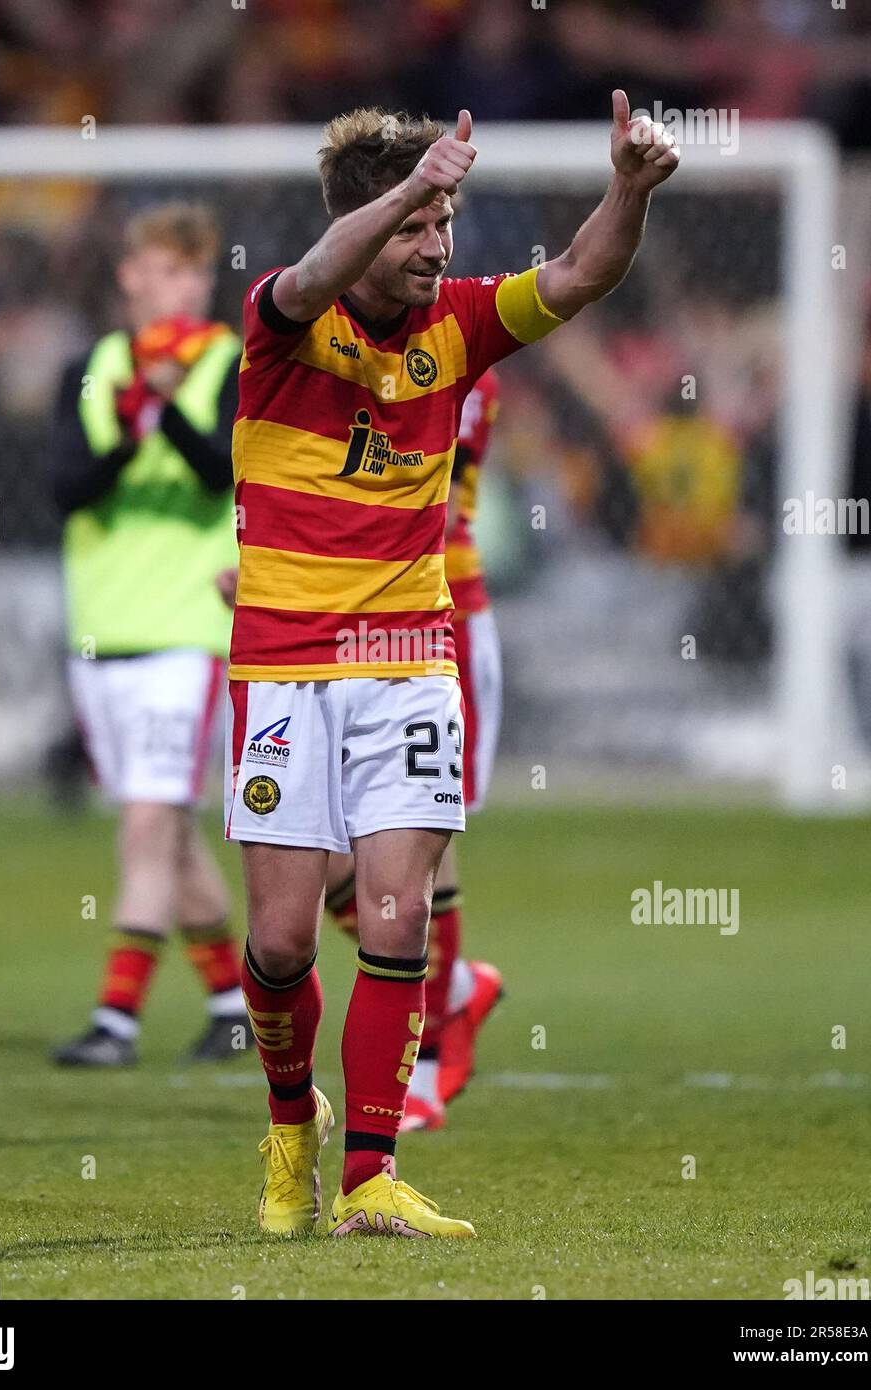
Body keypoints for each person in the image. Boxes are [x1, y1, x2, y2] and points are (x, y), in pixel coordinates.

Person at [226, 94, 679, 1237]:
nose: (438, 246)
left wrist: (625, 191)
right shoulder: (283, 320)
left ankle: (369, 1175)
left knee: (397, 916)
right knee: (279, 940)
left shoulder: (462, 324)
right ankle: (291, 1122)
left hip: (409, 659)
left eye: (445, 224)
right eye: (417, 227)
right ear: (369, 223)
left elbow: (578, 273)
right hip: (283, 664)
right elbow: (312, 274)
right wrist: (403, 191)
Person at [50, 202, 252, 1067]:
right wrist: (132, 423)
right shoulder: (89, 369)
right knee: (165, 828)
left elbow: (217, 471)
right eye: (167, 270)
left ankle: (116, 1020)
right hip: (102, 632)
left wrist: (164, 408)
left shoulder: (232, 363)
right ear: (130, 275)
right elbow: (66, 487)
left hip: (189, 630)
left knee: (146, 821)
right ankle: (233, 1004)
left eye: (196, 273)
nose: (184, 289)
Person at [324, 366, 506, 1133]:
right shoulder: (335, 353)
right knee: (322, 855)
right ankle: (455, 984)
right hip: (340, 618)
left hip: (437, 617)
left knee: (422, 829)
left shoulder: (459, 366)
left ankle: (424, 1069)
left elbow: (426, 496)